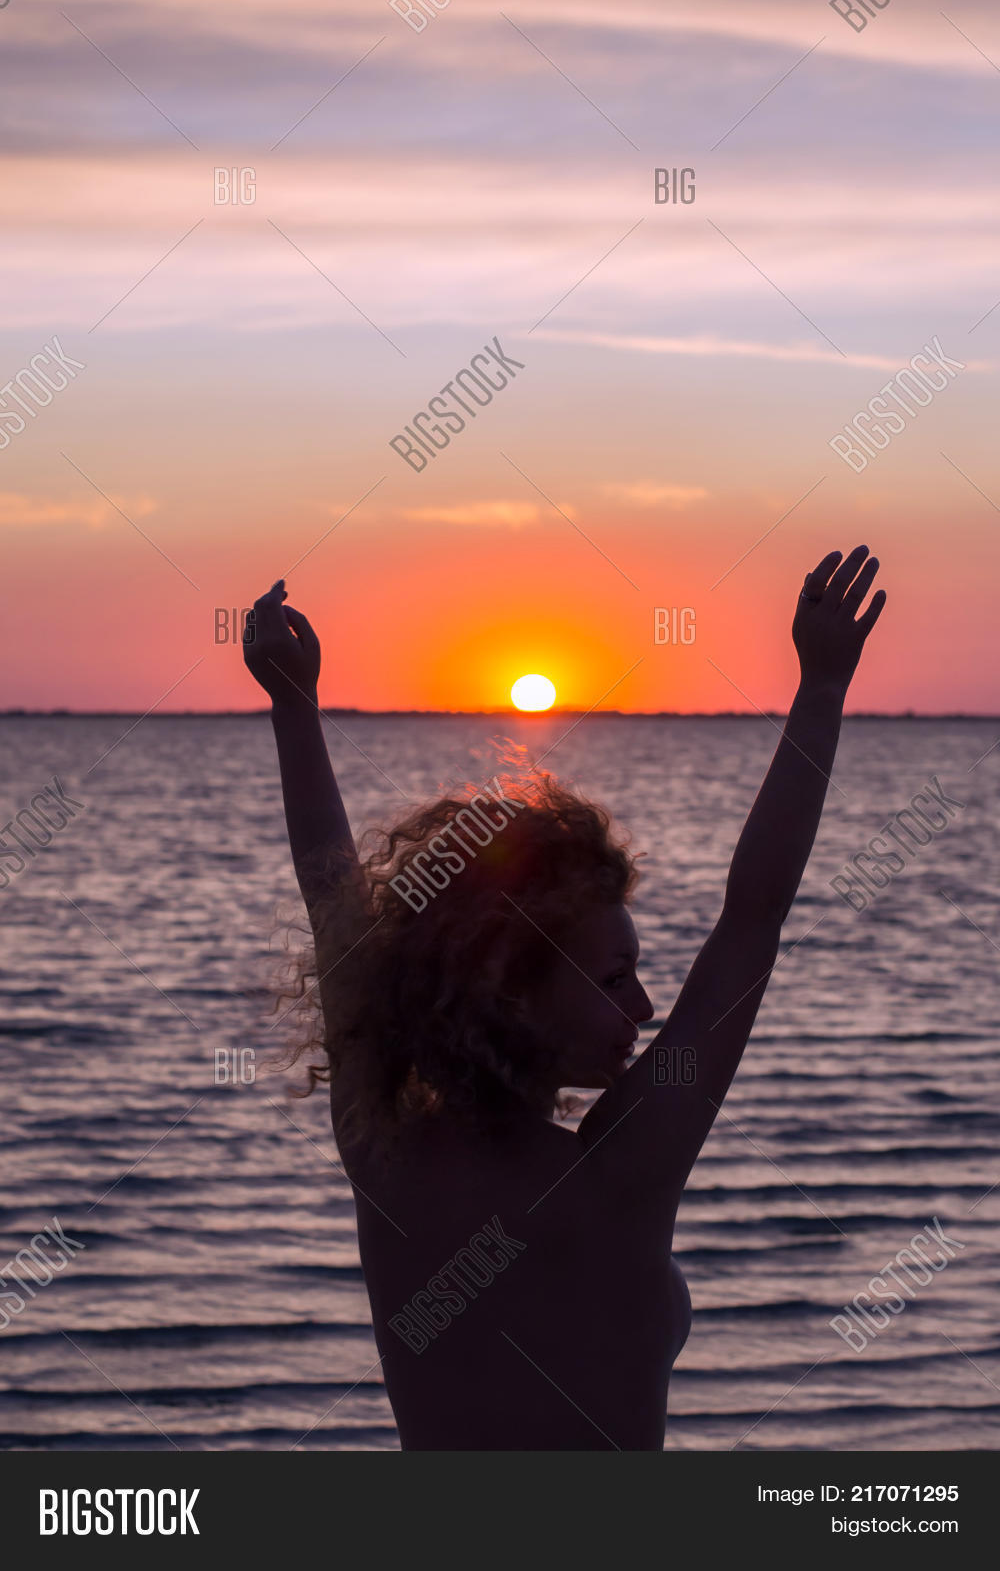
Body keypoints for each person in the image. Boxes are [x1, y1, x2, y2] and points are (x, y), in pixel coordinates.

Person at [243, 545, 885, 1450]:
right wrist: (821, 689)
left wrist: (293, 703)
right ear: (514, 992)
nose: (647, 1006)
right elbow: (753, 917)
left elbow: (333, 900)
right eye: (614, 978)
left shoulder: (379, 1152)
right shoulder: (619, 1171)